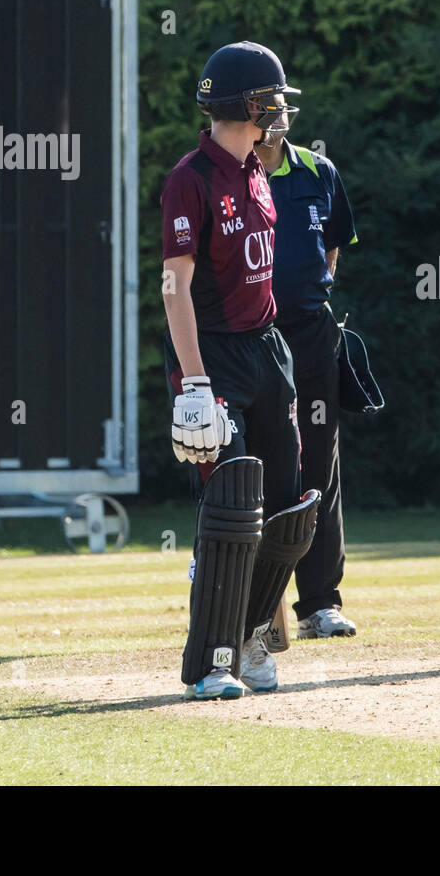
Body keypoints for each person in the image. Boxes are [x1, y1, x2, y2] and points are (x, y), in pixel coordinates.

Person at [160, 41, 320, 699]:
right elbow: (174, 286)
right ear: (245, 103)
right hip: (216, 357)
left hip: (266, 348)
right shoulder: (190, 177)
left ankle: (254, 634)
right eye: (271, 100)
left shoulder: (258, 167)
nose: (280, 112)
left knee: (287, 508)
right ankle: (210, 662)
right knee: (230, 512)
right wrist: (194, 382)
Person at [265, 123, 359, 637]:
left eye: (281, 104)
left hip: (312, 334)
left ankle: (320, 602)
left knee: (319, 463)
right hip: (249, 337)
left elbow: (332, 246)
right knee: (255, 463)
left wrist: (311, 299)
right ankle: (250, 604)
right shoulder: (224, 172)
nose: (276, 118)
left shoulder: (318, 170)